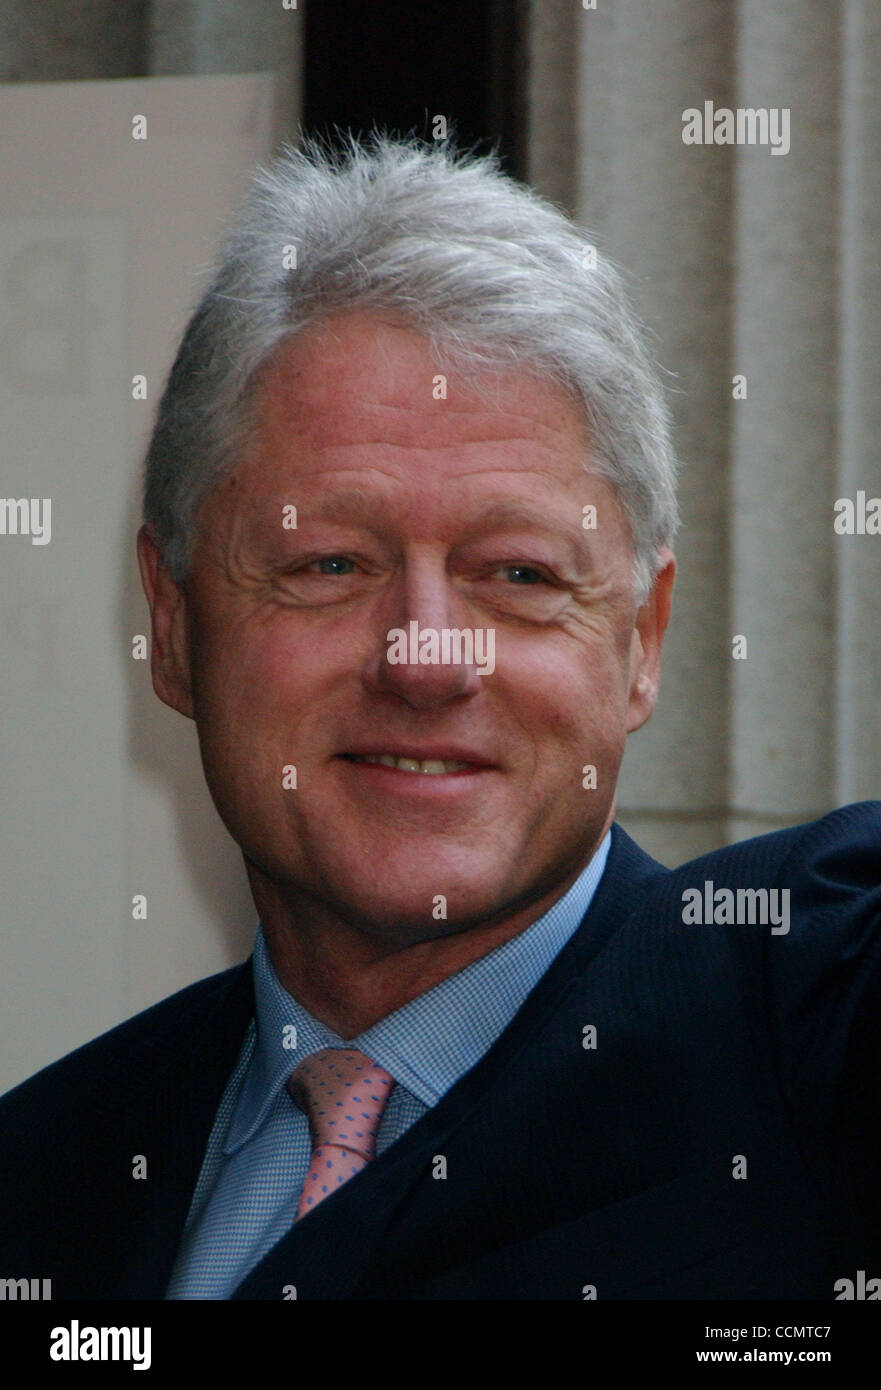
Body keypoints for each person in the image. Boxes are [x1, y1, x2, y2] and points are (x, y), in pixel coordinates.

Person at [0, 136, 877, 1302]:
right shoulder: (36, 1183)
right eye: (326, 564)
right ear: (172, 624)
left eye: (516, 574)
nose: (424, 657)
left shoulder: (809, 1029)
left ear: (641, 637)